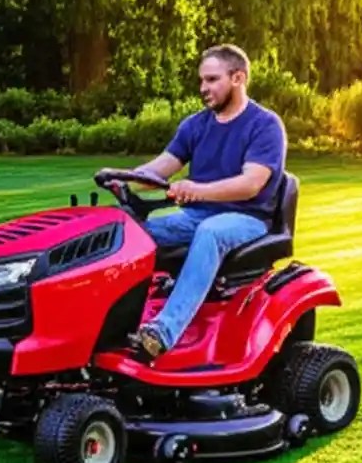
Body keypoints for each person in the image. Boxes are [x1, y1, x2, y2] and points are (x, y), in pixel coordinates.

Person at [103, 43, 288, 358]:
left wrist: (197, 190)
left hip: (247, 218)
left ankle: (162, 333)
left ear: (238, 78)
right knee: (127, 234)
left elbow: (251, 184)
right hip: (195, 216)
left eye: (212, 80)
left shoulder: (265, 125)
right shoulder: (195, 125)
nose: (204, 88)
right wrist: (125, 177)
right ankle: (107, 324)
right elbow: (161, 167)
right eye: (202, 81)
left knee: (211, 232)